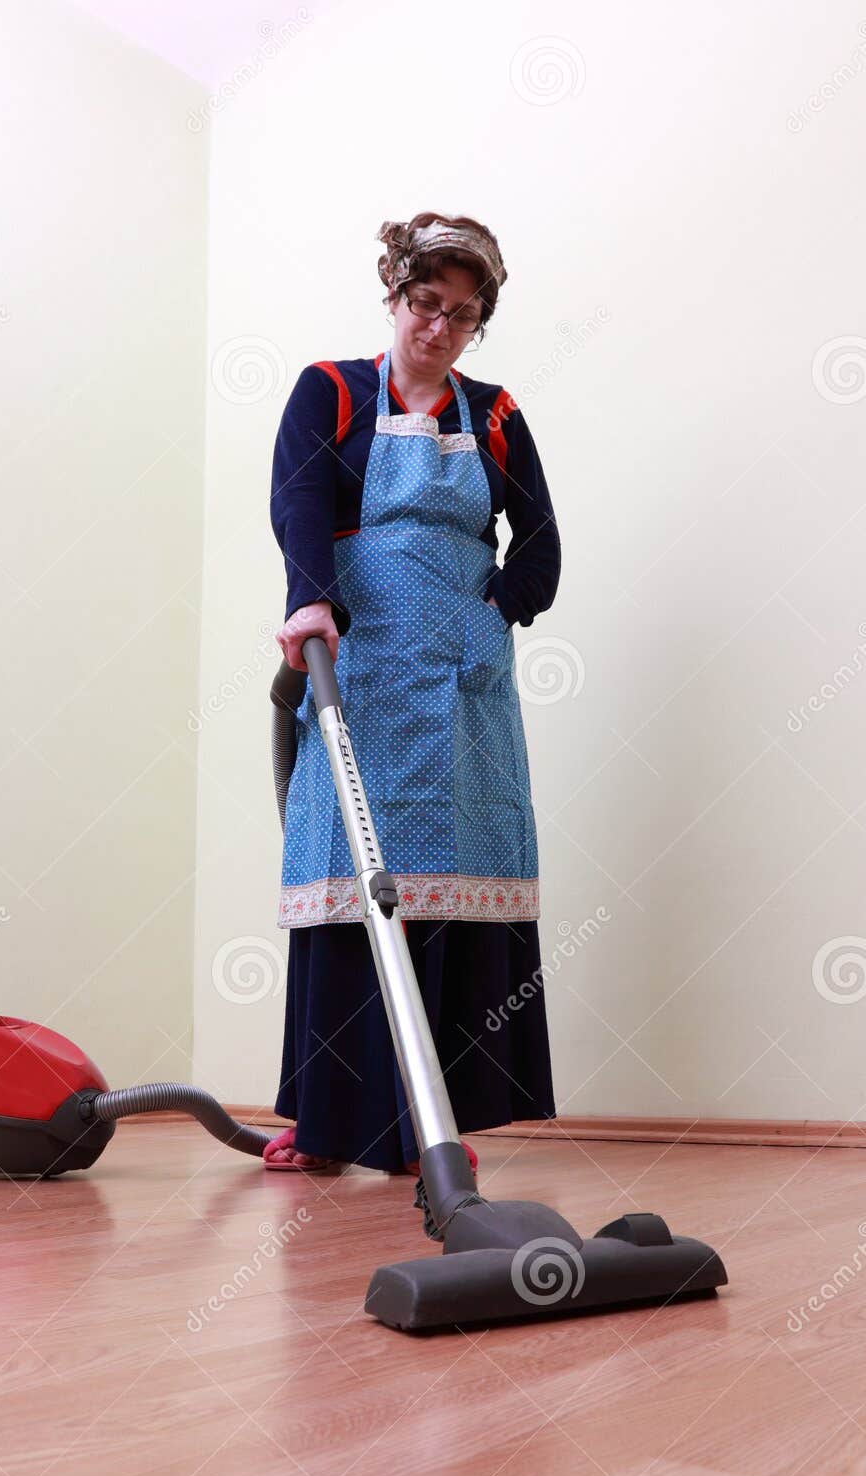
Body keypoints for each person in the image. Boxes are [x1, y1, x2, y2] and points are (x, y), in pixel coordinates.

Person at [266, 211, 560, 1173]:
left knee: (448, 898)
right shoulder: (332, 392)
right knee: (353, 889)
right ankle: (330, 1124)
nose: (438, 328)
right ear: (394, 297)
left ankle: (438, 1125)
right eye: (425, 305)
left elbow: (541, 539)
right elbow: (299, 500)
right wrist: (310, 601)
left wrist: (497, 611)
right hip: (358, 669)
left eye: (461, 315)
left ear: (478, 324)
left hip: (462, 689)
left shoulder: (497, 412)